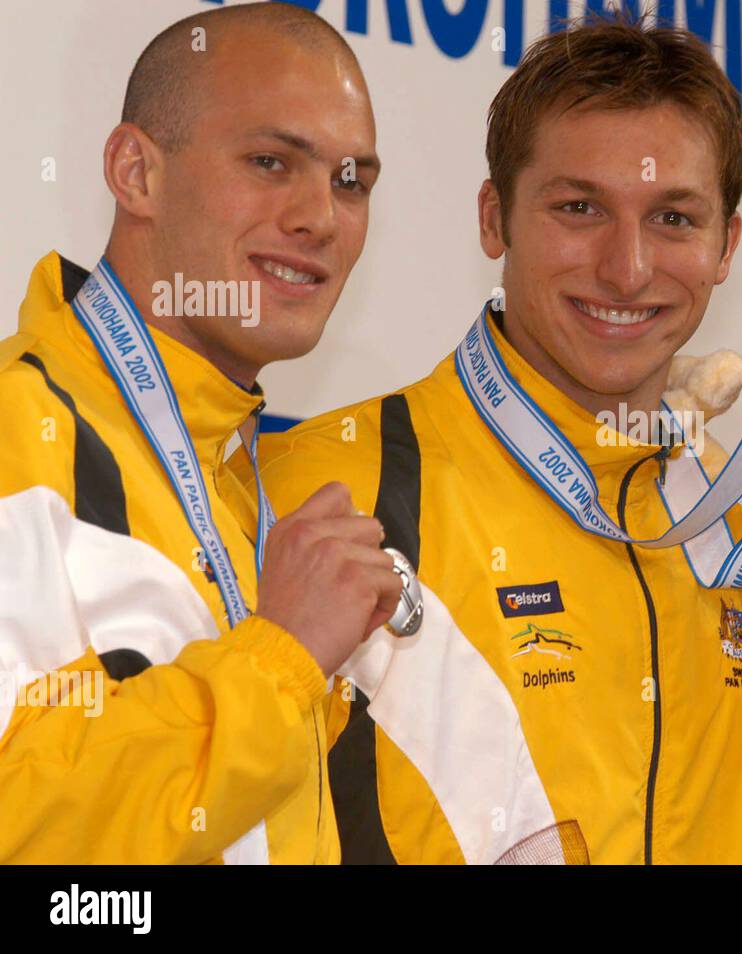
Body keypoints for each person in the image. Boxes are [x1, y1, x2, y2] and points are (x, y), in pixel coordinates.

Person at [250, 15, 742, 864]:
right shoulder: (323, 490)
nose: (627, 269)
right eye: (580, 208)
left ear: (727, 246)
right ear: (493, 218)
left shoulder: (736, 540)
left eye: (675, 219)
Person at [0, 4, 399, 864]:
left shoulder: (251, 479)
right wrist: (281, 658)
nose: (320, 218)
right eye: (270, 161)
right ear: (136, 172)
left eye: (351, 181)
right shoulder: (14, 437)